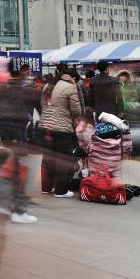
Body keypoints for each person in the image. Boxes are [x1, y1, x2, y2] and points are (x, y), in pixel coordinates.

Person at [0, 62, 42, 223]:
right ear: (22, 72)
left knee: (9, 165)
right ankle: (18, 211)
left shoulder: (2, 88)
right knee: (23, 168)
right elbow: (38, 109)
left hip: (4, 129)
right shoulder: (27, 89)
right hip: (18, 130)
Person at [38, 70, 82, 198]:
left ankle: (46, 187)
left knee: (48, 157)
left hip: (46, 126)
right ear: (71, 78)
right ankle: (60, 191)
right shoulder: (70, 87)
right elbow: (76, 110)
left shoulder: (47, 85)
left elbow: (42, 105)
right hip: (62, 128)